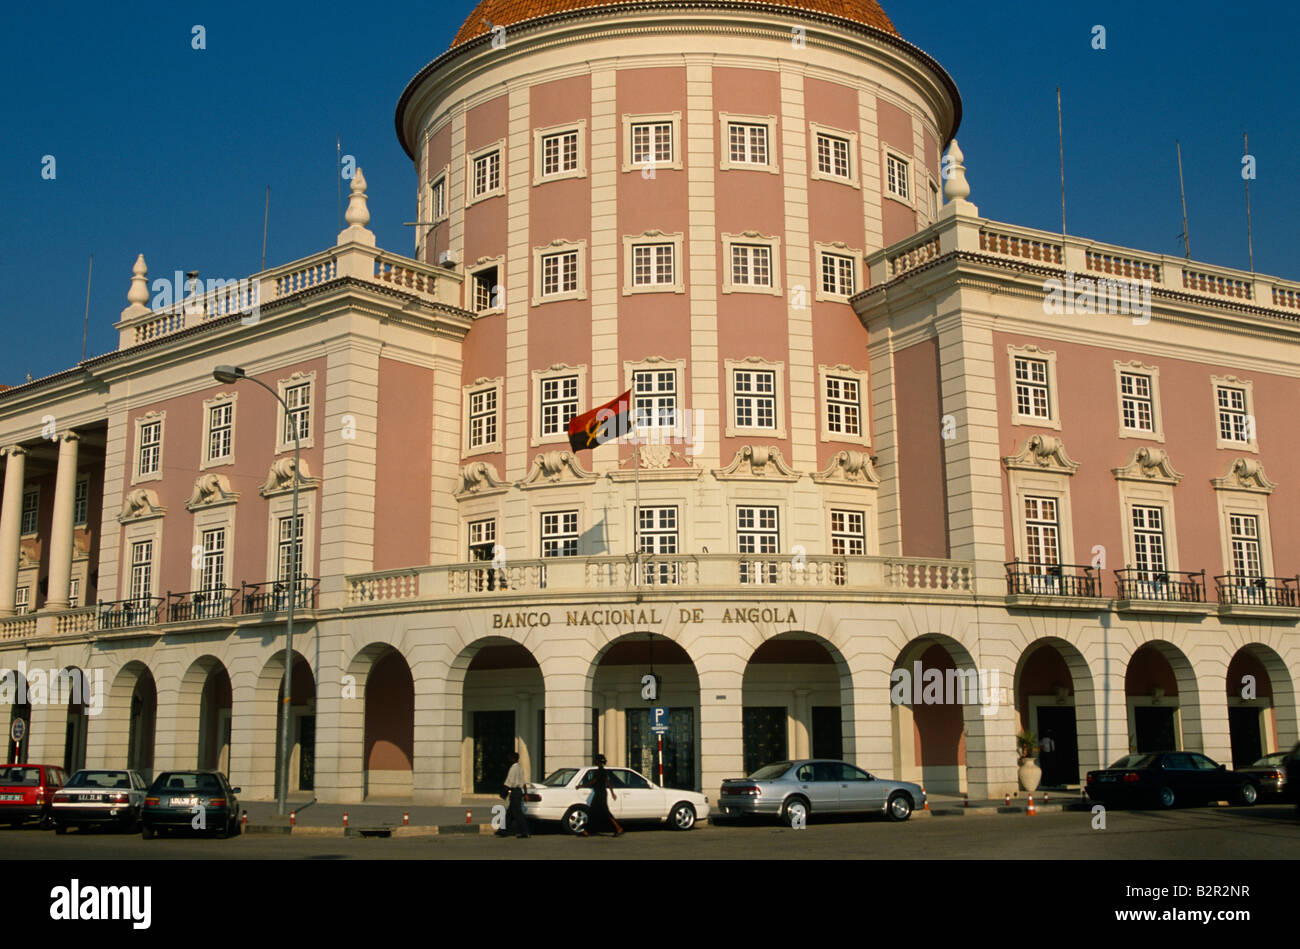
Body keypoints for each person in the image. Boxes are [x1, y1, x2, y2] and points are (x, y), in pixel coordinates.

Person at [582, 754, 623, 837]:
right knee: (593, 811)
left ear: (598, 762)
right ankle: (586, 831)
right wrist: (612, 793)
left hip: (599, 794)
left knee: (603, 812)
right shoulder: (604, 771)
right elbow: (608, 782)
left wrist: (581, 786)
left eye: (596, 760)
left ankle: (618, 828)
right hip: (603, 793)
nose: (594, 761)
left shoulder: (598, 771)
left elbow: (593, 781)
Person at [501, 752, 531, 838]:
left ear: (513, 759)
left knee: (518, 813)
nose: (509, 760)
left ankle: (525, 832)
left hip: (515, 792)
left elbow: (509, 781)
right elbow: (523, 782)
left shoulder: (513, 768)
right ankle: (504, 830)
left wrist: (504, 792)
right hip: (519, 792)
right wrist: (525, 793)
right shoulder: (520, 768)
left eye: (510, 758)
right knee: (510, 813)